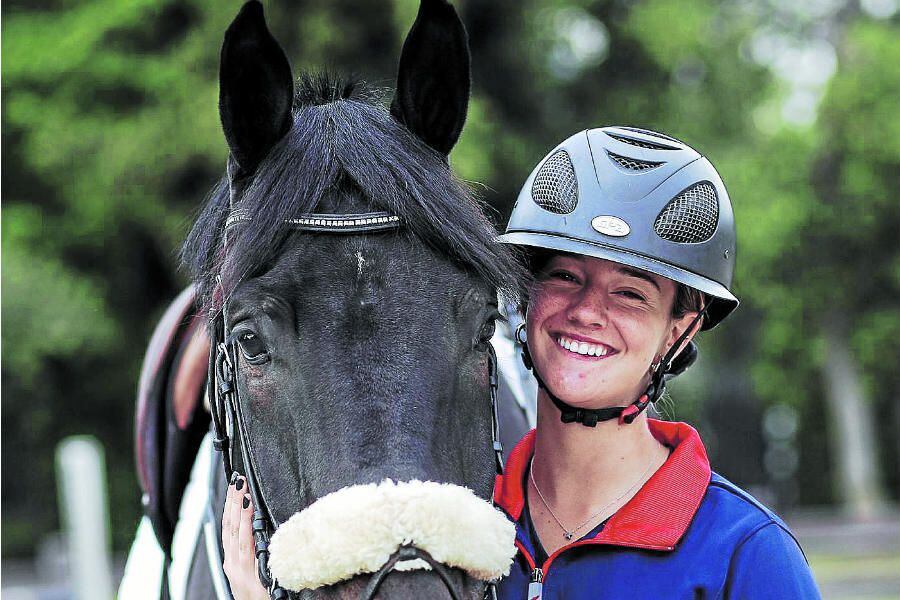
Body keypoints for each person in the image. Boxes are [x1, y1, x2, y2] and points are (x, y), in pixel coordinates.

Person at [493, 126, 820, 599]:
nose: (587, 311)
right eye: (565, 276)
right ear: (527, 296)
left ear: (679, 330)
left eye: (630, 294)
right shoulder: (459, 519)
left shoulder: (745, 554)